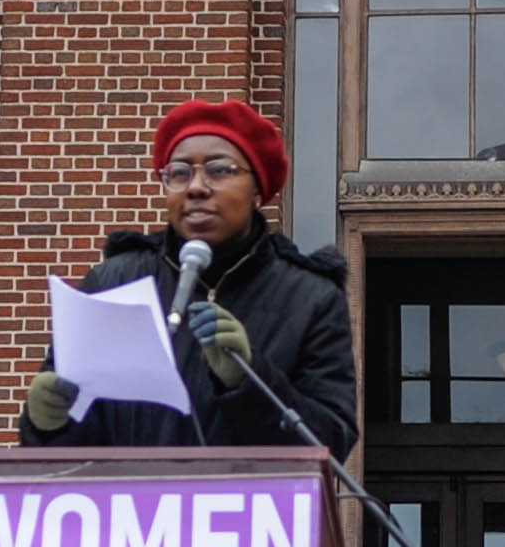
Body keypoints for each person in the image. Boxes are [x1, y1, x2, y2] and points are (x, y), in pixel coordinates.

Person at [20, 100, 356, 458]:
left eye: (219, 170)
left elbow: (331, 442)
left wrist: (247, 379)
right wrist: (47, 423)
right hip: (129, 495)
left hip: (245, 495)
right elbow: (67, 454)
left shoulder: (309, 297)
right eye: (179, 173)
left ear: (258, 190)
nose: (196, 187)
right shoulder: (113, 283)